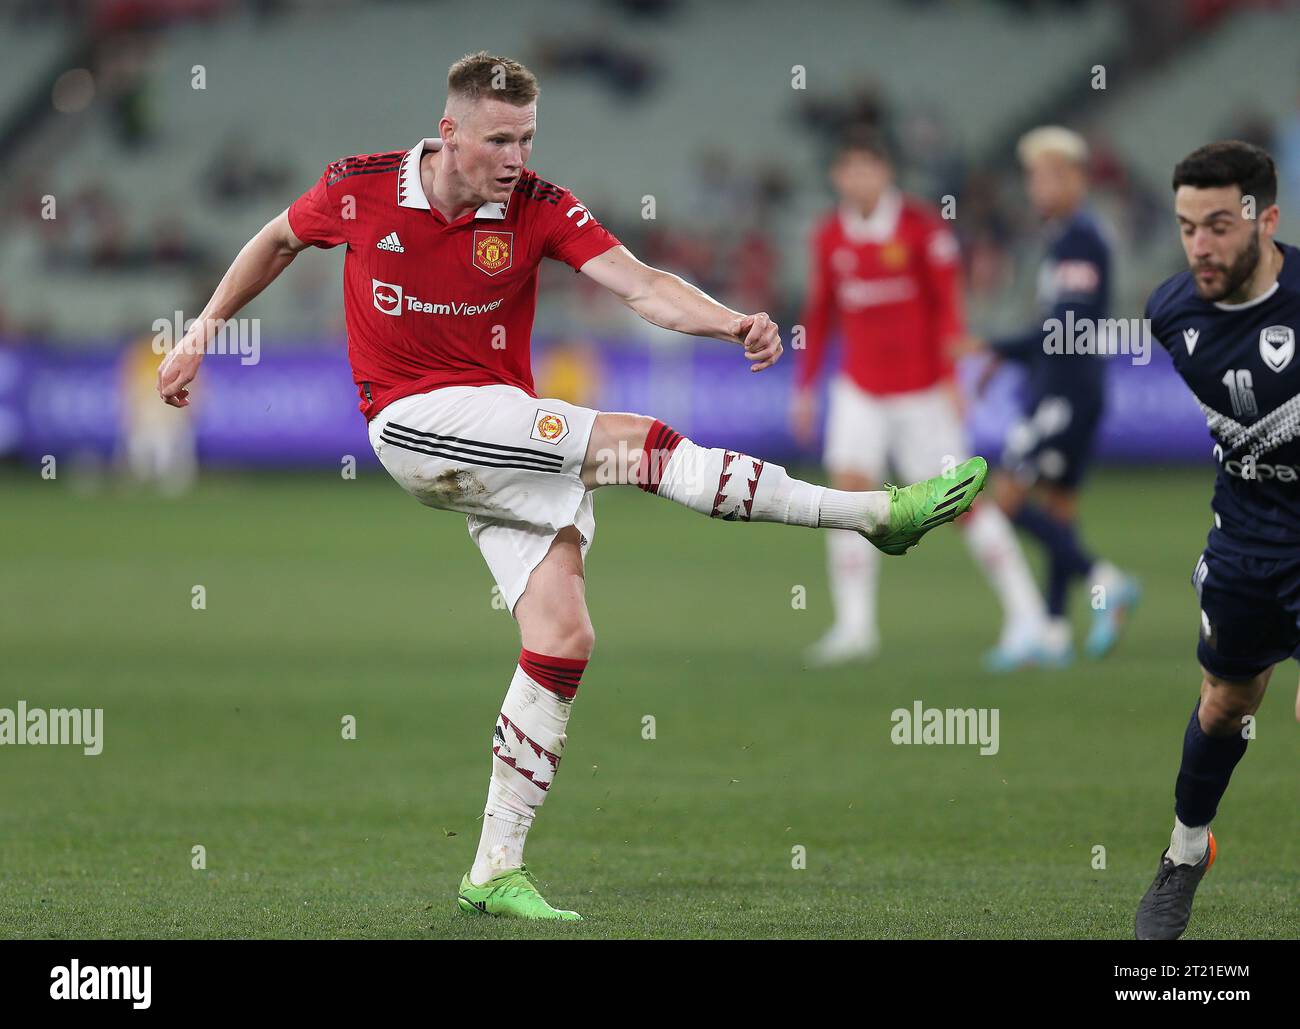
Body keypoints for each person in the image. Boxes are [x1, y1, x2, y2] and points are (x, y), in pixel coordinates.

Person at [156, 52, 987, 921]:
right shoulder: (360, 188)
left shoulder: (541, 207)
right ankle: (872, 514)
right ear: (449, 135)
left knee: (563, 634)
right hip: (409, 421)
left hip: (496, 434)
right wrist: (202, 331)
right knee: (640, 445)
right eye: (499, 140)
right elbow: (280, 237)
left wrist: (730, 320)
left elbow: (642, 285)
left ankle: (491, 867)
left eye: (526, 138)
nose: (515, 158)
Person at [791, 130, 1045, 667]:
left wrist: (952, 380)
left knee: (959, 504)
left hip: (922, 391)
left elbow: (947, 307)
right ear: (837, 176)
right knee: (848, 498)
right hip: (858, 387)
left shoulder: (922, 227)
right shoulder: (829, 235)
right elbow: (819, 314)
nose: (857, 178)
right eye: (848, 168)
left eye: (868, 167)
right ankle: (854, 627)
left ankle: (1029, 616)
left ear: (886, 173)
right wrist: (806, 387)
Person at [1136, 140, 1299, 940]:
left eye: (1220, 226)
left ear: (1266, 221)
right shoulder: (1171, 315)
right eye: (1186, 226)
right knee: (1227, 702)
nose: (1201, 244)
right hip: (1244, 538)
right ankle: (1185, 853)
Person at [966, 126, 1138, 668]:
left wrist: (995, 346)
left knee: (1005, 503)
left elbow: (1067, 324)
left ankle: (1104, 580)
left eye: (1047, 175)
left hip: (1063, 391)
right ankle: (1057, 630)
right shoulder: (1070, 236)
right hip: (1075, 387)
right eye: (1033, 176)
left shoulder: (1078, 239)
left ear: (1076, 179)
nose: (1037, 186)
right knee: (1059, 511)